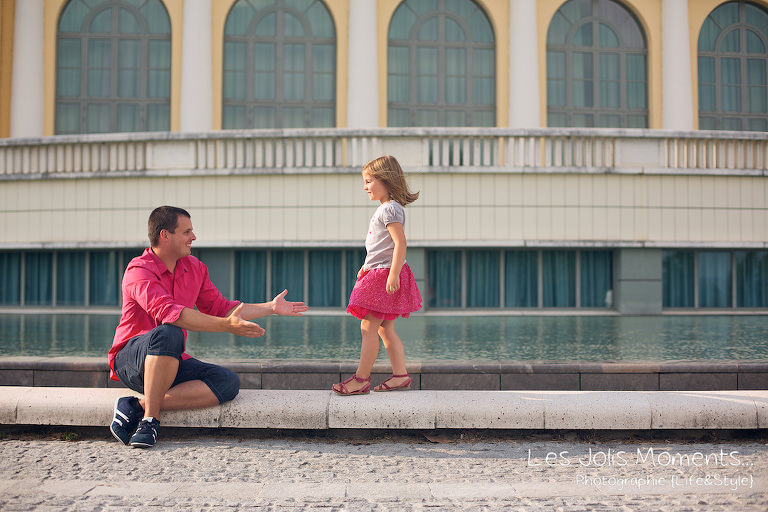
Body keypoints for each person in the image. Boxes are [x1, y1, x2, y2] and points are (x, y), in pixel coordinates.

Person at [108, 206, 308, 448]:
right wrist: (227, 326)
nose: (193, 237)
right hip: (132, 359)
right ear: (165, 235)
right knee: (169, 332)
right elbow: (171, 315)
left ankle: (135, 406)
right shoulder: (138, 271)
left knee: (227, 382)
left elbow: (222, 307)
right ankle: (150, 419)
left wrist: (271, 308)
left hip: (169, 360)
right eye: (187, 231)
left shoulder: (195, 268)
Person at [333, 156, 422, 395]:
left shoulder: (390, 208)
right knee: (385, 329)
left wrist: (393, 275)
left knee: (368, 326)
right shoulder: (386, 208)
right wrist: (366, 265)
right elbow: (380, 246)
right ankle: (400, 375)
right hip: (379, 270)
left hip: (384, 275)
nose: (365, 187)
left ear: (386, 180)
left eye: (369, 181)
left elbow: (400, 243)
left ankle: (361, 379)